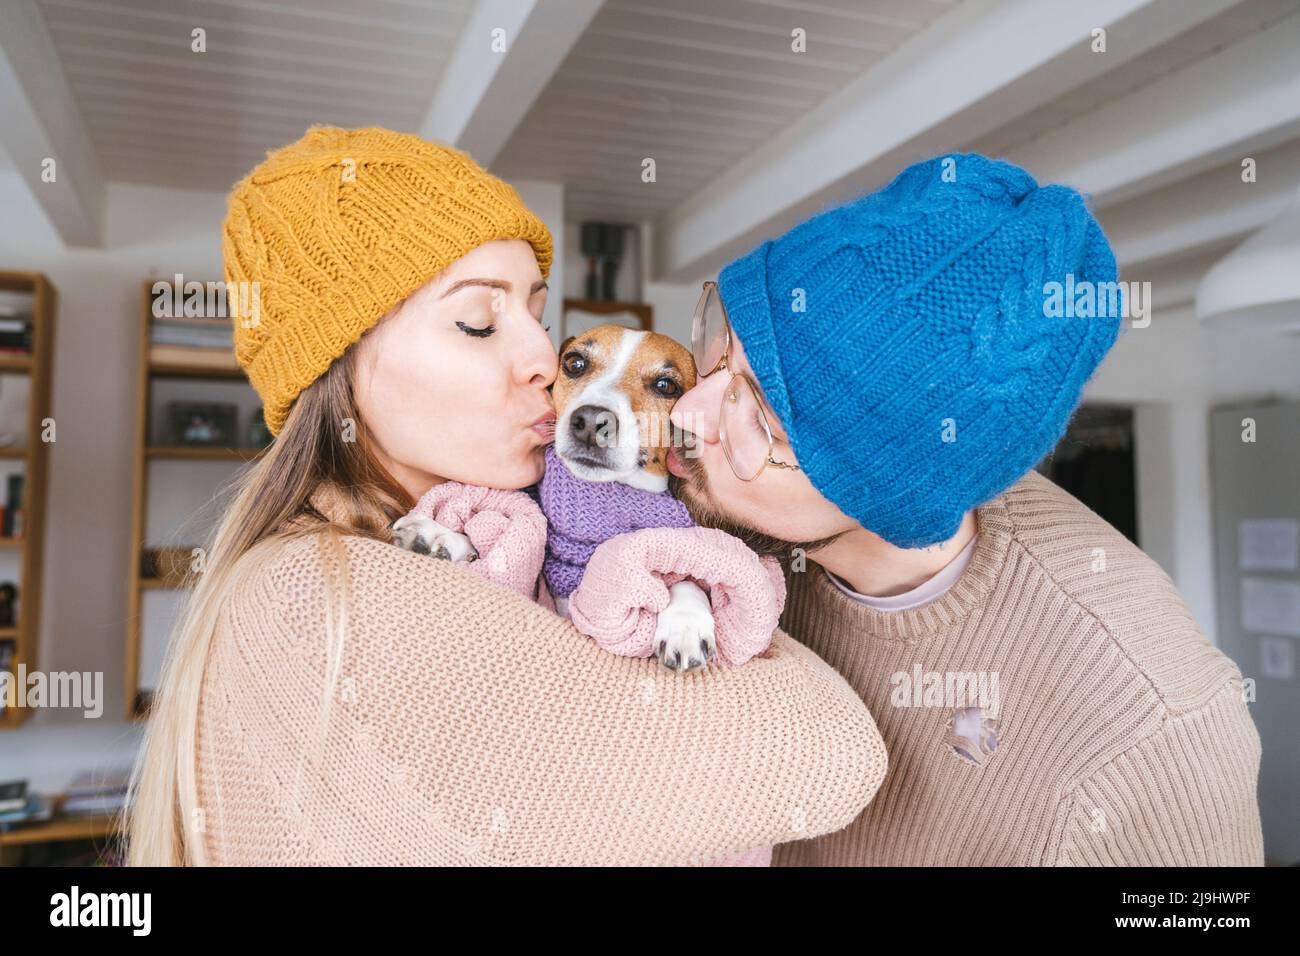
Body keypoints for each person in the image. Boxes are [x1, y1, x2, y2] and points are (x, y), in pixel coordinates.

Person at [124, 126, 888, 866]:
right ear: (342, 370)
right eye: (478, 322)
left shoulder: (471, 555)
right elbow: (828, 755)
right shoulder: (323, 596)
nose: (543, 361)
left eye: (538, 318)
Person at [665, 153, 1265, 866]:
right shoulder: (706, 519)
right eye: (721, 351)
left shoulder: (1149, 727)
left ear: (884, 487)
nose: (687, 411)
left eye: (759, 415)